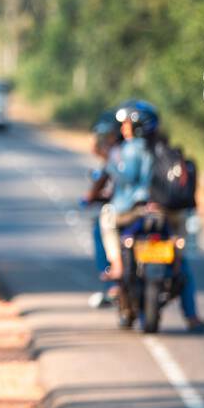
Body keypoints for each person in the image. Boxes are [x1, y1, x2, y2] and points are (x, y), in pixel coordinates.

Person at [99, 100, 204, 332]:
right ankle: (191, 316)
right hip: (167, 213)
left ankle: (117, 264)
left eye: (127, 124)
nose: (123, 128)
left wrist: (110, 163)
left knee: (105, 219)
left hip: (130, 211)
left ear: (138, 126)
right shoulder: (166, 149)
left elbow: (125, 178)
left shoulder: (127, 151)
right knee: (181, 262)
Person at [83, 111, 121, 308]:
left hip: (125, 210)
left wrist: (91, 196)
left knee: (101, 230)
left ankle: (113, 283)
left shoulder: (118, 154)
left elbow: (103, 179)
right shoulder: (150, 148)